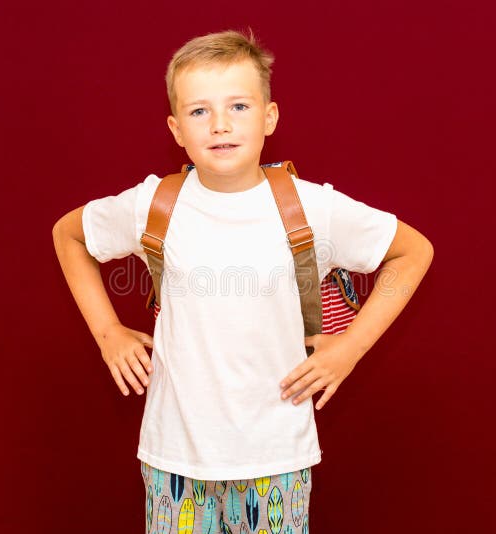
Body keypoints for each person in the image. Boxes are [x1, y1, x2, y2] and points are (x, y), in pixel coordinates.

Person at [52, 29, 434, 534]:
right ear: (175, 129)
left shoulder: (310, 206)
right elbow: (69, 236)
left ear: (269, 116)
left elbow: (413, 252)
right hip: (175, 459)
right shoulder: (153, 204)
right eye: (199, 111)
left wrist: (350, 348)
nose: (220, 125)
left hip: (276, 458)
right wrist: (108, 333)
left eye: (238, 106)